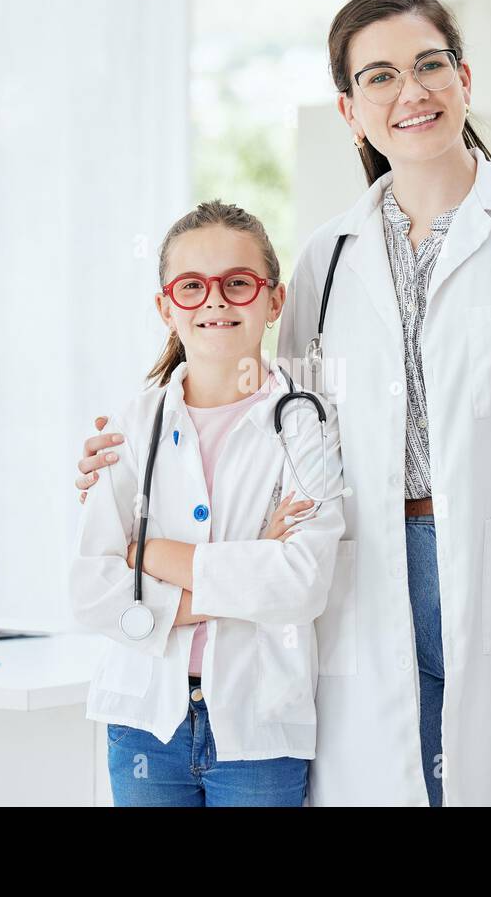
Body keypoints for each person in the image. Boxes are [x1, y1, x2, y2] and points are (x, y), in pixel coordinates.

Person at [78, 0, 491, 807]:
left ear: (465, 80)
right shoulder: (326, 260)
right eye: (378, 77)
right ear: (350, 109)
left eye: (430, 66)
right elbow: (267, 417)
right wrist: (133, 447)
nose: (411, 92)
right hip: (362, 574)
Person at [69, 201, 347, 806]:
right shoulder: (130, 426)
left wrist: (150, 555)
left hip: (259, 727)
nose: (216, 301)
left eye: (238, 283)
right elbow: (91, 590)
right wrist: (248, 567)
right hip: (146, 721)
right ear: (167, 308)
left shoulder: (304, 425)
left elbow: (301, 585)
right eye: (192, 286)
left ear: (274, 302)